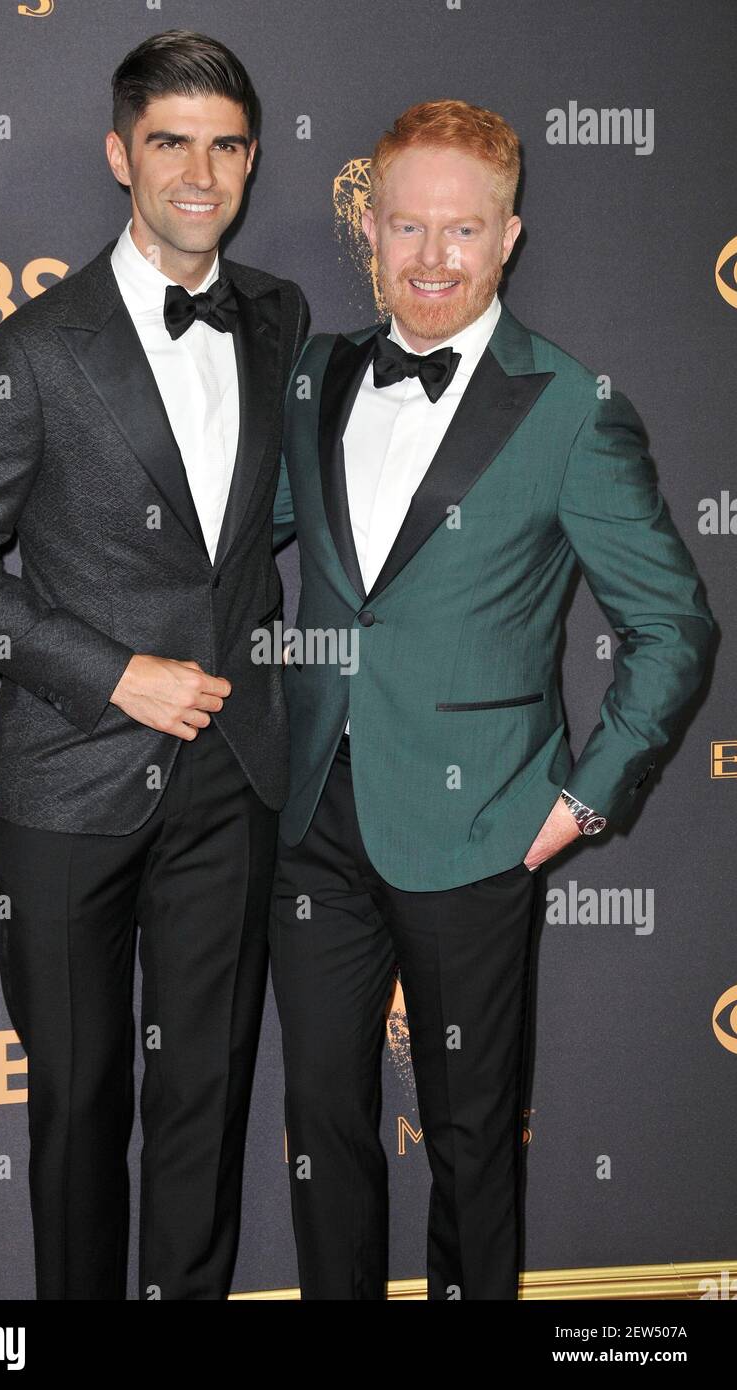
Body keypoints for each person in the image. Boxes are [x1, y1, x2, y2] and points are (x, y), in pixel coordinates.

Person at [270, 99, 714, 1300]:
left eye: (460, 230)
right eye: (406, 226)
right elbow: (246, 536)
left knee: (470, 1138)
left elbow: (671, 625)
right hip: (313, 815)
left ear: (507, 236)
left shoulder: (569, 404)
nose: (430, 258)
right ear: (370, 228)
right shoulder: (318, 374)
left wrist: (583, 796)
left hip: (475, 824)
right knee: (321, 1124)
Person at [0, 29, 307, 1301]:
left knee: (205, 1098)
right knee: (78, 1104)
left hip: (232, 776)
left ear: (251, 160)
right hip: (69, 780)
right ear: (120, 154)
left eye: (224, 146)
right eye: (169, 142)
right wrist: (114, 672)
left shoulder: (277, 316)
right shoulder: (28, 351)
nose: (199, 173)